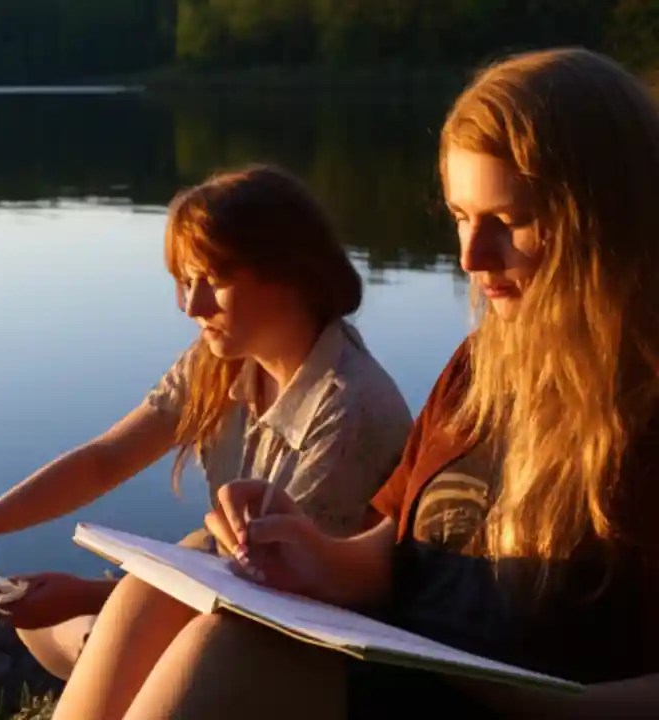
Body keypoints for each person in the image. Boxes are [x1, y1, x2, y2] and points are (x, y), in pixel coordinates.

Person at [55, 47, 659, 720]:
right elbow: (395, 550)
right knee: (182, 572)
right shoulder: (480, 366)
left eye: (509, 223)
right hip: (414, 672)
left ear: (603, 215)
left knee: (231, 654)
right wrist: (309, 554)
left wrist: (560, 709)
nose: (469, 257)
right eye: (461, 216)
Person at [0, 165, 412, 681]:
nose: (192, 306)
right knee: (41, 623)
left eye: (213, 282)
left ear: (288, 274)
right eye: (185, 282)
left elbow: (274, 597)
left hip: (300, 651)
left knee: (91, 630)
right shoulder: (220, 361)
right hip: (230, 599)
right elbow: (105, 460)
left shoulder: (349, 409)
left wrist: (92, 596)